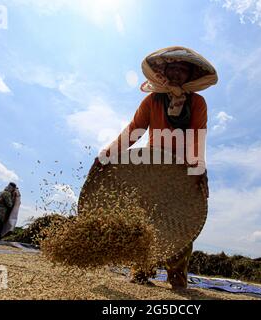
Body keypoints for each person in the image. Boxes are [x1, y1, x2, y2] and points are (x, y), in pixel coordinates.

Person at [92, 46, 218, 289]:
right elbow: (133, 132)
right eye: (173, 68)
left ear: (190, 75)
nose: (177, 74)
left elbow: (196, 138)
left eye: (183, 69)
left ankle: (177, 278)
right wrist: (104, 156)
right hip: (151, 169)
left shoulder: (197, 103)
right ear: (163, 71)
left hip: (180, 171)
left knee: (180, 223)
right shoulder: (152, 100)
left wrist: (198, 170)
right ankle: (141, 271)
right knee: (147, 220)